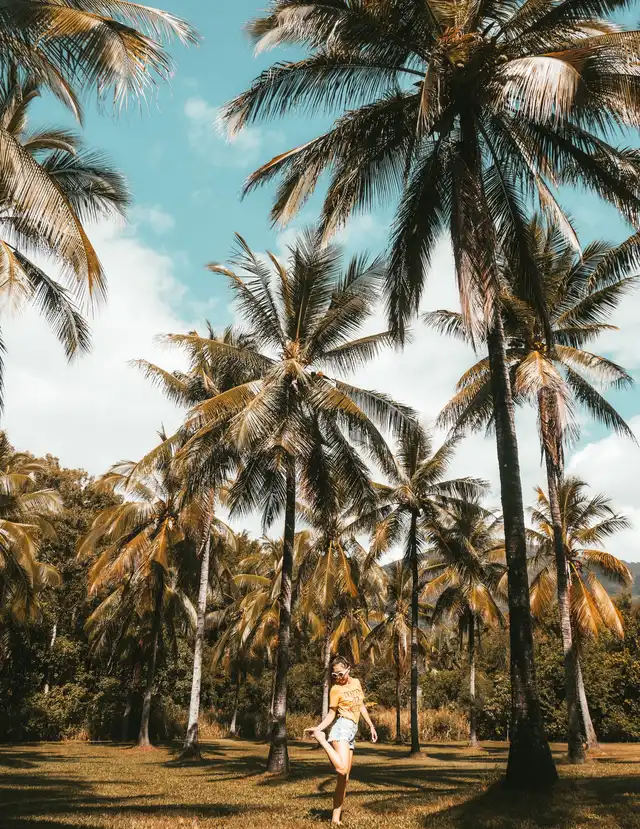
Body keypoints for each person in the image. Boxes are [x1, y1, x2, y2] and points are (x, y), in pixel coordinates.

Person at [304, 656, 377, 826]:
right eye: (334, 675)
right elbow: (331, 715)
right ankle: (322, 740)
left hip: (351, 732)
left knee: (344, 780)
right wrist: (319, 729)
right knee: (342, 769)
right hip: (341, 729)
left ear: (348, 669)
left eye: (340, 674)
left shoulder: (356, 683)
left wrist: (371, 725)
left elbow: (361, 706)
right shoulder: (335, 689)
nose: (338, 677)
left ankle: (335, 819)